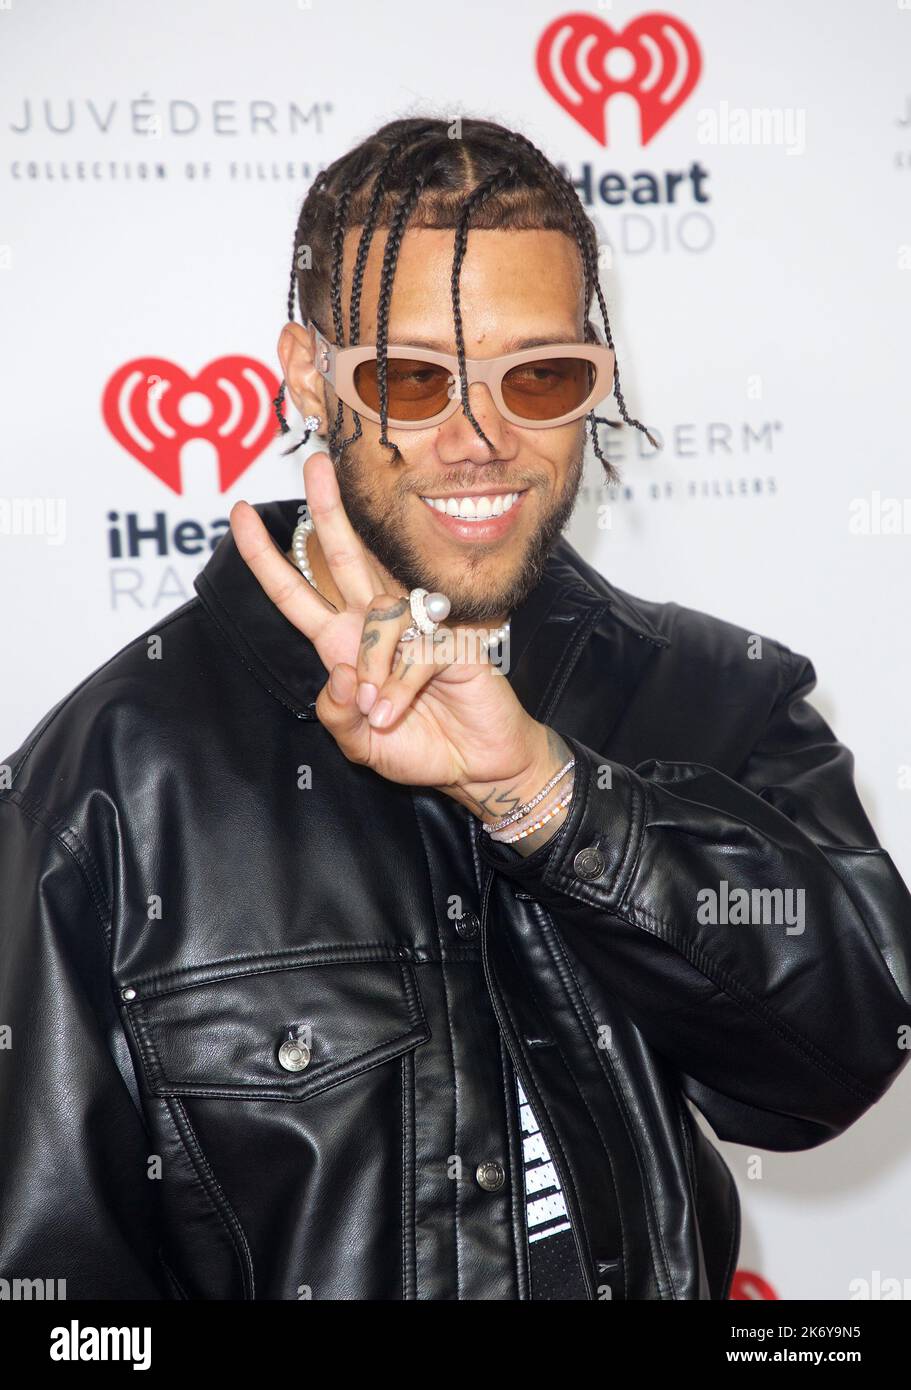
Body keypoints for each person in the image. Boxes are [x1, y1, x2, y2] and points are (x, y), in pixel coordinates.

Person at [1, 116, 910, 1301]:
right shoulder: (107, 785)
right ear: (306, 373)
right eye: (410, 377)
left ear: (598, 374)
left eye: (538, 376)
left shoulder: (715, 693)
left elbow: (834, 1062)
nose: (479, 440)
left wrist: (547, 798)